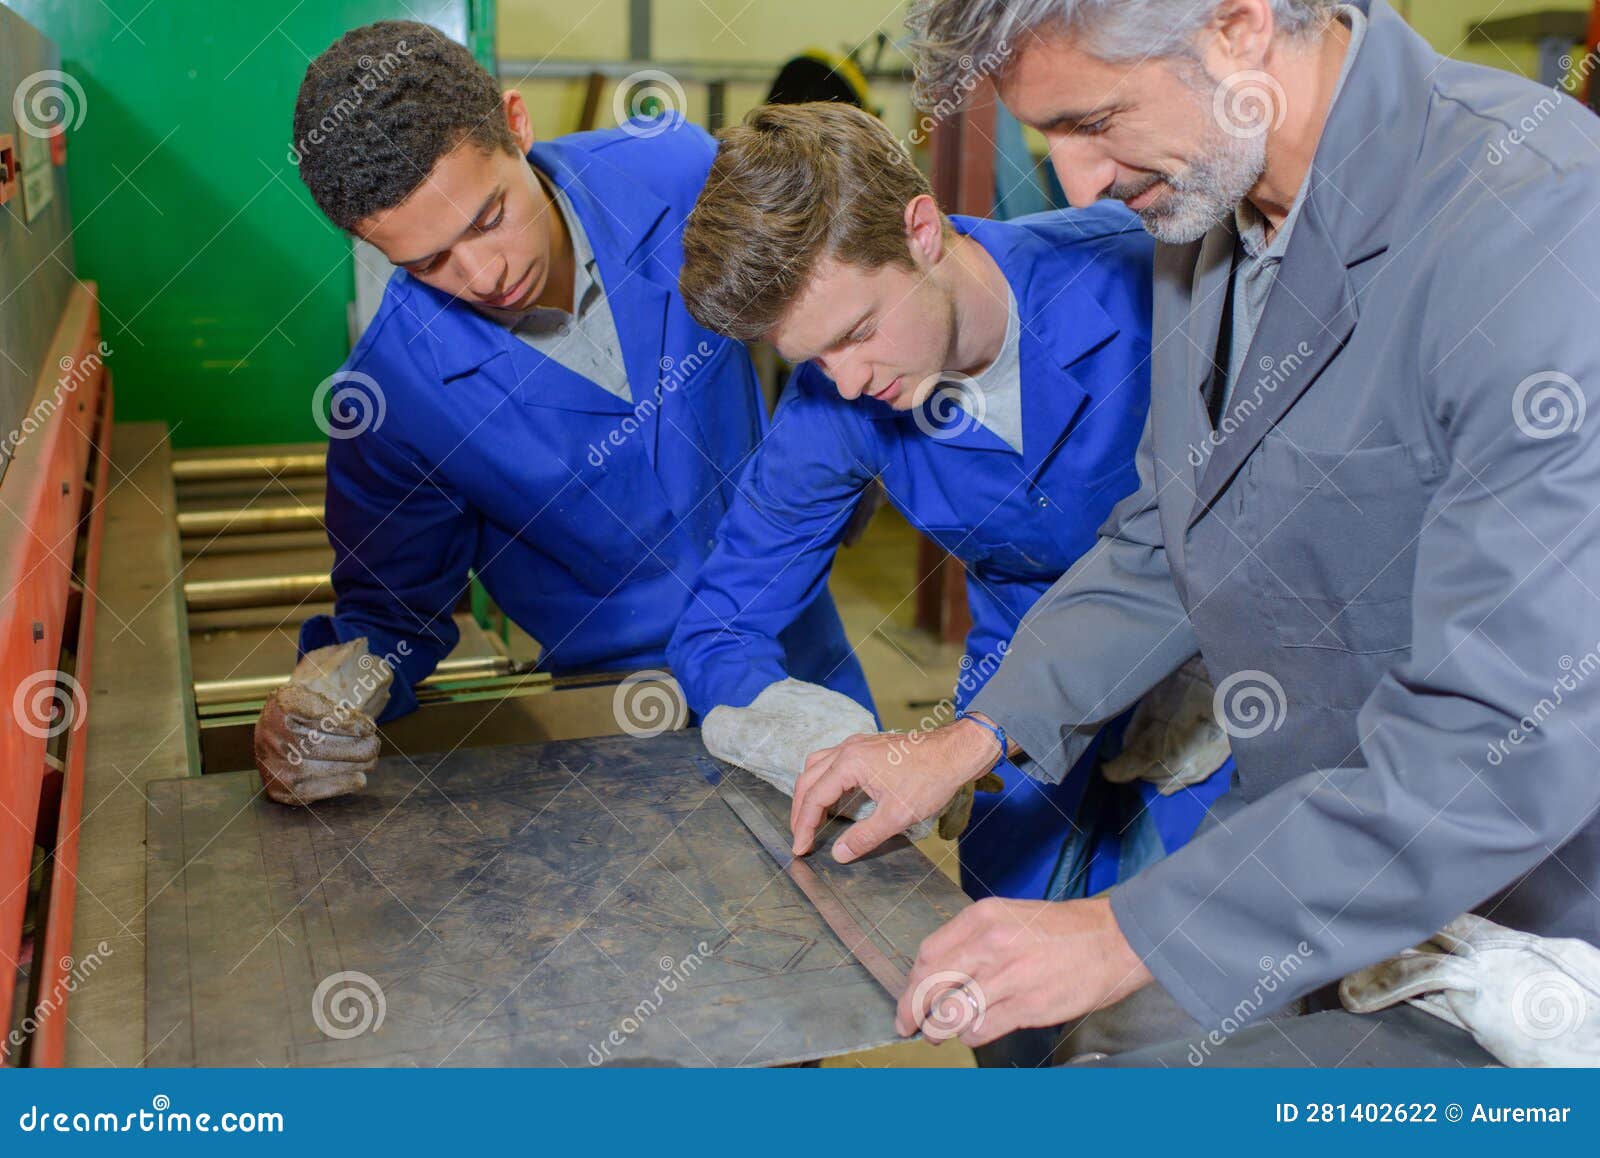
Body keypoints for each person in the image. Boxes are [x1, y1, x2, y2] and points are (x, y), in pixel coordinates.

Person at [788, 0, 1600, 1060]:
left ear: (1239, 26)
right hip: (1301, 867)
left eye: (1093, 121)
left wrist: (1133, 930)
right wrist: (970, 735)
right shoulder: (1210, 212)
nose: (1079, 184)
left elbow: (1502, 739)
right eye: (1047, 137)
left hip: (1524, 935)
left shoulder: (1539, 220)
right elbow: (1167, 533)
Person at [253, 21, 866, 805]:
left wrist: (838, 476)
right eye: (428, 261)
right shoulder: (391, 398)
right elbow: (394, 615)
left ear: (516, 125)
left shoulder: (682, 178)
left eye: (487, 217)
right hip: (621, 725)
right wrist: (327, 696)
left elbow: (843, 321)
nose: (485, 273)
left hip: (798, 656)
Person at [668, 103, 1230, 957]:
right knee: (991, 962)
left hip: (1208, 656)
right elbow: (718, 627)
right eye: (813, 356)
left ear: (922, 231)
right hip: (1015, 676)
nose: (847, 381)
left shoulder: (1149, 271)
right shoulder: (835, 405)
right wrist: (817, 739)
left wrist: (1235, 659)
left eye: (858, 332)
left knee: (1203, 950)